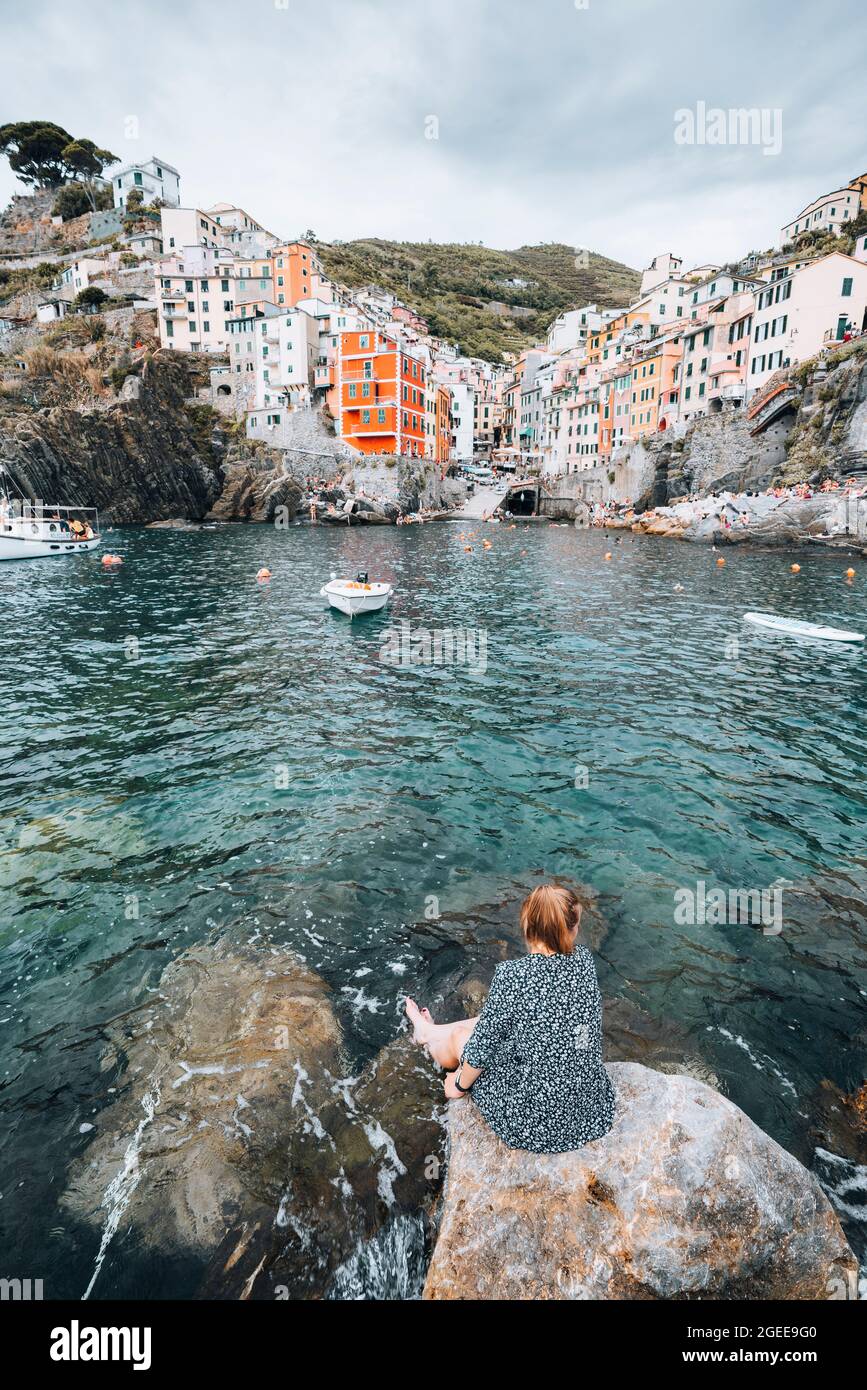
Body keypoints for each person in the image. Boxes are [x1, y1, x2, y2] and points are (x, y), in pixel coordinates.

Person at [405, 884, 615, 1153]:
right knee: (496, 1021)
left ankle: (429, 1037)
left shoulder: (513, 976)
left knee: (465, 1038)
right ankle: (431, 1032)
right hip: (589, 1107)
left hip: (538, 1122)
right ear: (571, 929)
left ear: (528, 930)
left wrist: (458, 1085)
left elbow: (481, 1050)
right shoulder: (584, 960)